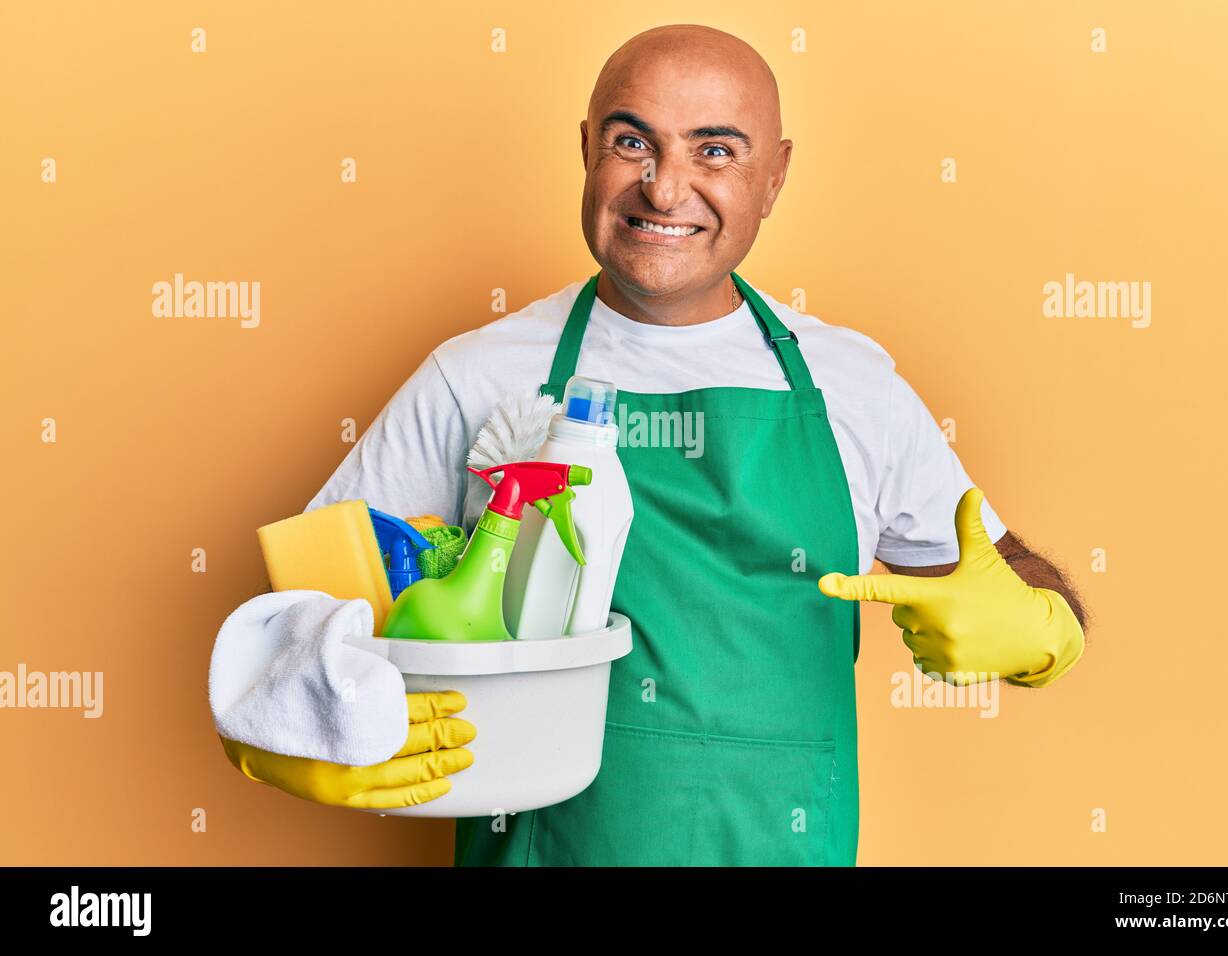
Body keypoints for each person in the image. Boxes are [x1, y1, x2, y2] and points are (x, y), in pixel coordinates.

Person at [223, 23, 1087, 866]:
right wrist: (294, 727)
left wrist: (1041, 624)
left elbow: (1010, 577)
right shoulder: (477, 377)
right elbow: (301, 609)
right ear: (588, 150)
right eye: (633, 142)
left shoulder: (854, 387)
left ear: (776, 175)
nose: (665, 190)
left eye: (716, 150)